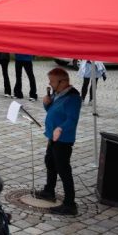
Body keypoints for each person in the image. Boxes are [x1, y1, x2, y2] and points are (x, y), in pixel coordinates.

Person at [35, 67, 82, 216]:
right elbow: (52, 111)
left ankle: (70, 204)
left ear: (63, 82)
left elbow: (72, 119)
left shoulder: (73, 98)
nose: (50, 83)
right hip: (53, 137)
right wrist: (46, 103)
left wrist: (60, 129)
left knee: (64, 170)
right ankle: (49, 191)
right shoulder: (58, 93)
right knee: (50, 162)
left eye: (52, 81)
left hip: (63, 140)